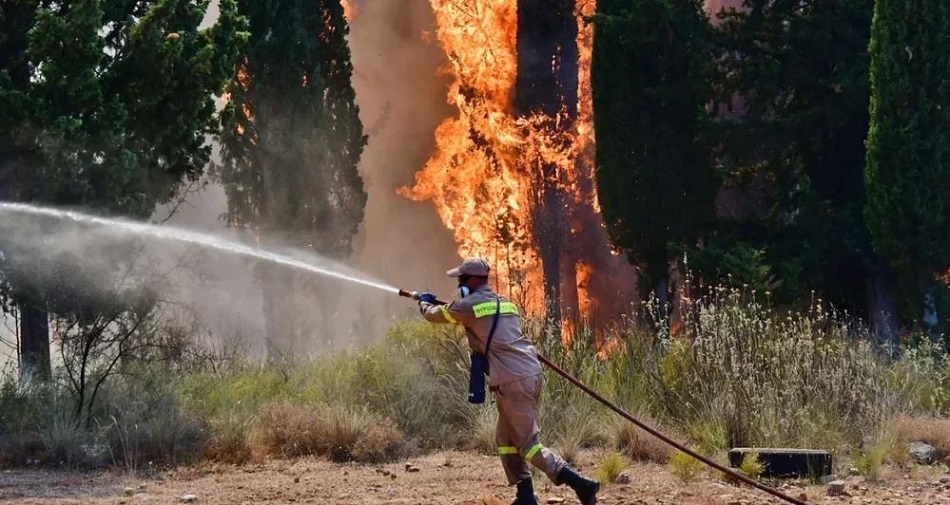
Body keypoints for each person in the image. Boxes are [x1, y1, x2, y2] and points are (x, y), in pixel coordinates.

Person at [417, 257, 600, 505]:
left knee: (530, 445)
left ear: (469, 281)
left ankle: (581, 485)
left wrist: (424, 303)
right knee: (505, 439)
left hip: (512, 379)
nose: (459, 283)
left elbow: (435, 316)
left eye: (460, 279)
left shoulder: (469, 305)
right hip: (529, 373)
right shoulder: (505, 303)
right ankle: (525, 495)